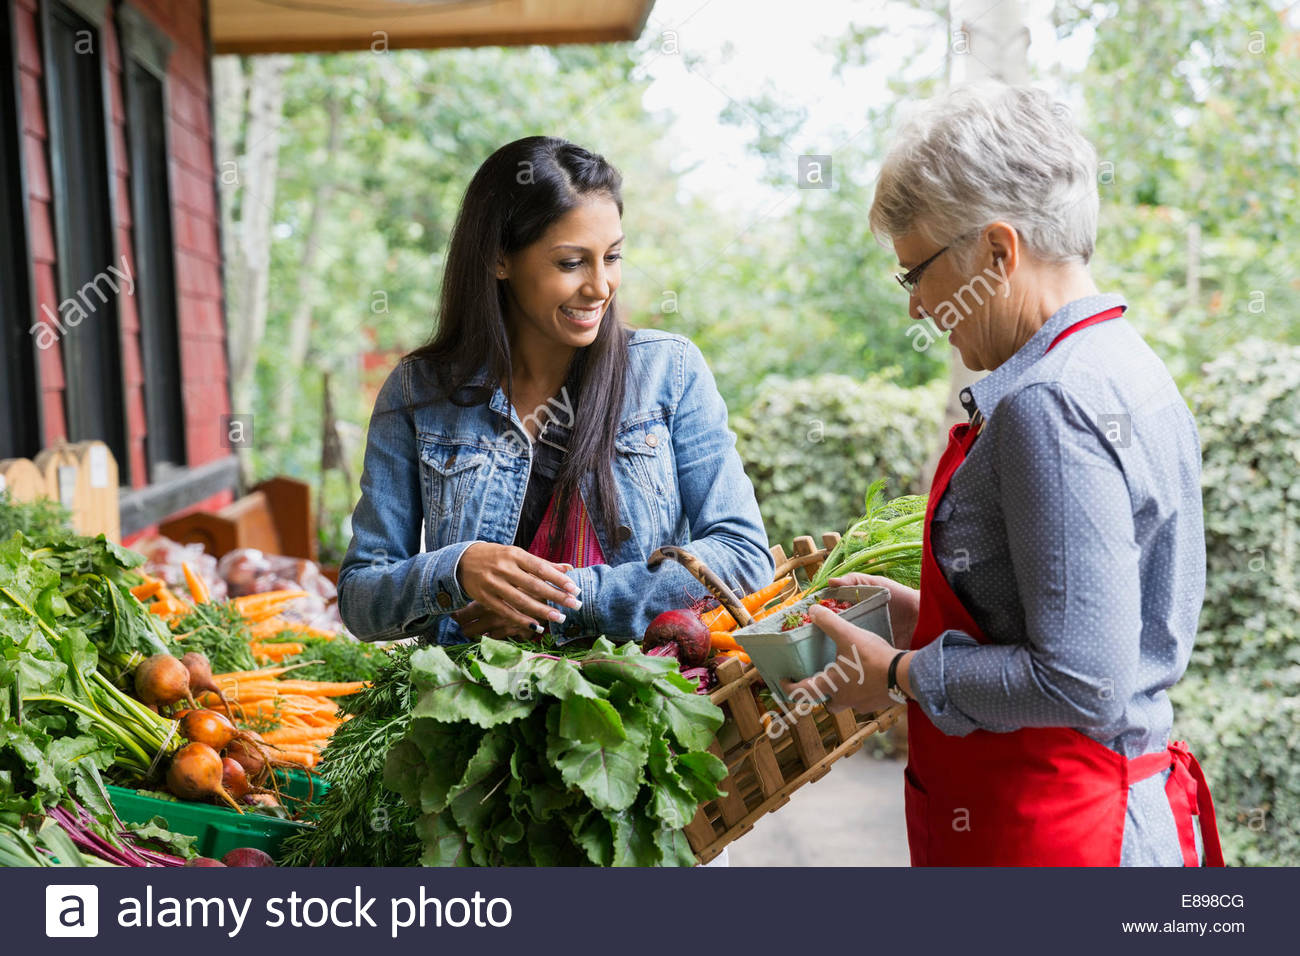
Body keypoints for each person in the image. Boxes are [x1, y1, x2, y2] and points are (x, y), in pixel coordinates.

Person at [789, 85, 1223, 866]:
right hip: (1117, 810)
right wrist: (923, 613)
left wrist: (895, 674)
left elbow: (1080, 682)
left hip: (1060, 833)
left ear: (998, 251)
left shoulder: (1049, 403)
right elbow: (1083, 627)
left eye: (914, 272)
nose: (917, 308)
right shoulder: (1124, 363)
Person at [338, 136, 774, 652]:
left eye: (611, 257)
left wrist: (569, 601)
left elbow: (744, 556)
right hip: (474, 715)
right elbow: (361, 599)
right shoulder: (417, 393)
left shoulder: (668, 371)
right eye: (571, 263)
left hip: (644, 708)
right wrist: (456, 569)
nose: (600, 287)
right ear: (501, 259)